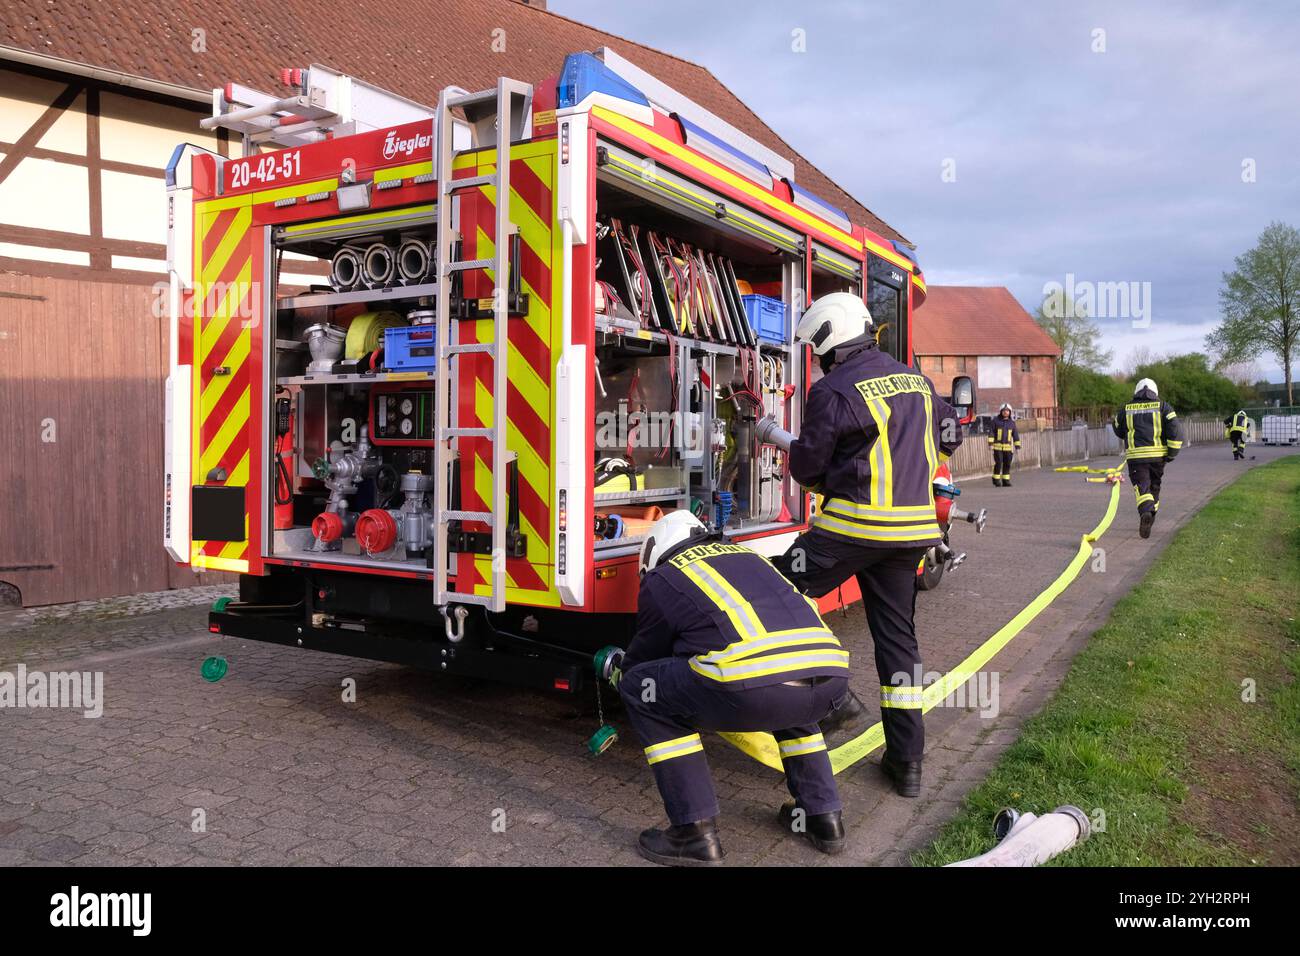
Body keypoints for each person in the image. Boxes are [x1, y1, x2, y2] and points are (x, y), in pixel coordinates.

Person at [756, 292, 963, 798]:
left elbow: (806, 468)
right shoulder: (918, 382)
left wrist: (776, 436)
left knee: (770, 596)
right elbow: (951, 436)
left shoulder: (835, 390)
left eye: (818, 350)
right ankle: (907, 764)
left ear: (830, 338)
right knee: (898, 645)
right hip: (909, 538)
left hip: (848, 533)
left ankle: (835, 703)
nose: (819, 360)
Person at [615, 511, 852, 866]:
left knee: (640, 688)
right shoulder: (750, 557)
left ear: (654, 553)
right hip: (830, 676)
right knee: (792, 694)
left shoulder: (665, 576)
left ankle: (693, 833)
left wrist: (618, 671)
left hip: (753, 687)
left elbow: (647, 656)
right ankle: (824, 818)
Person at [1112, 378, 1182, 538]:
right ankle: (1152, 514)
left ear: (1136, 392)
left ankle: (1146, 512)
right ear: (1155, 392)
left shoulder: (1126, 409)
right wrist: (1172, 453)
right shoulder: (1164, 407)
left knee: (1142, 486)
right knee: (1155, 486)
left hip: (1136, 458)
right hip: (1158, 458)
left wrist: (1127, 433)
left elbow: (1117, 428)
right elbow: (1175, 430)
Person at [988, 403, 1021, 487]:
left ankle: (1006, 481)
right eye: (1004, 411)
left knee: (1007, 464)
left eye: (1007, 411)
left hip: (1008, 448)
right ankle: (996, 480)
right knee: (998, 463)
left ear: (1010, 412)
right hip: (997, 448)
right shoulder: (995, 421)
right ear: (1001, 412)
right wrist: (990, 444)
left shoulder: (1012, 423)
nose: (1005, 412)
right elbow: (991, 432)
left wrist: (1017, 446)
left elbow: (1015, 435)